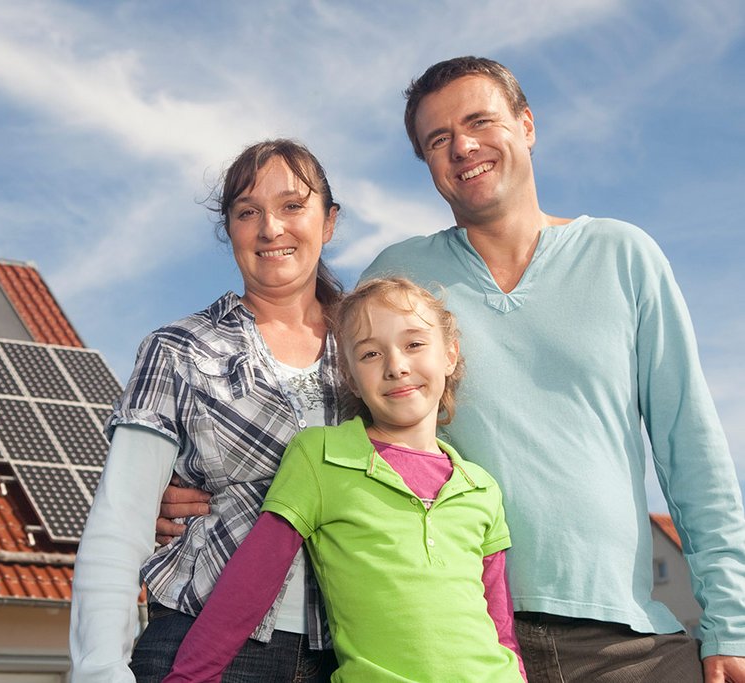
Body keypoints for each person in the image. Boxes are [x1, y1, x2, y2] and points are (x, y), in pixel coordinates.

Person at [161, 56, 745, 682]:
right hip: (445, 642)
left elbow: (690, 448)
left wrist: (732, 622)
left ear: (526, 125)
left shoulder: (624, 256)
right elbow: (319, 408)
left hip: (621, 637)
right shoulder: (400, 276)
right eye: (438, 139)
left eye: (479, 121)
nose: (462, 146)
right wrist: (184, 487)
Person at [68, 139, 350, 682]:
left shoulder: (373, 352)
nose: (270, 228)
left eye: (292, 206)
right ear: (230, 230)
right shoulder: (179, 349)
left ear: (329, 221)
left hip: (351, 652)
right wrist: (100, 668)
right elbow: (121, 519)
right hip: (203, 645)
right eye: (248, 212)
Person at [164, 277, 525, 682]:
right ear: (350, 377)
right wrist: (189, 676)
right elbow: (252, 581)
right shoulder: (320, 455)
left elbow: (501, 629)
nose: (396, 366)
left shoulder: (480, 487)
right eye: (371, 353)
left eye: (414, 344)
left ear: (450, 355)